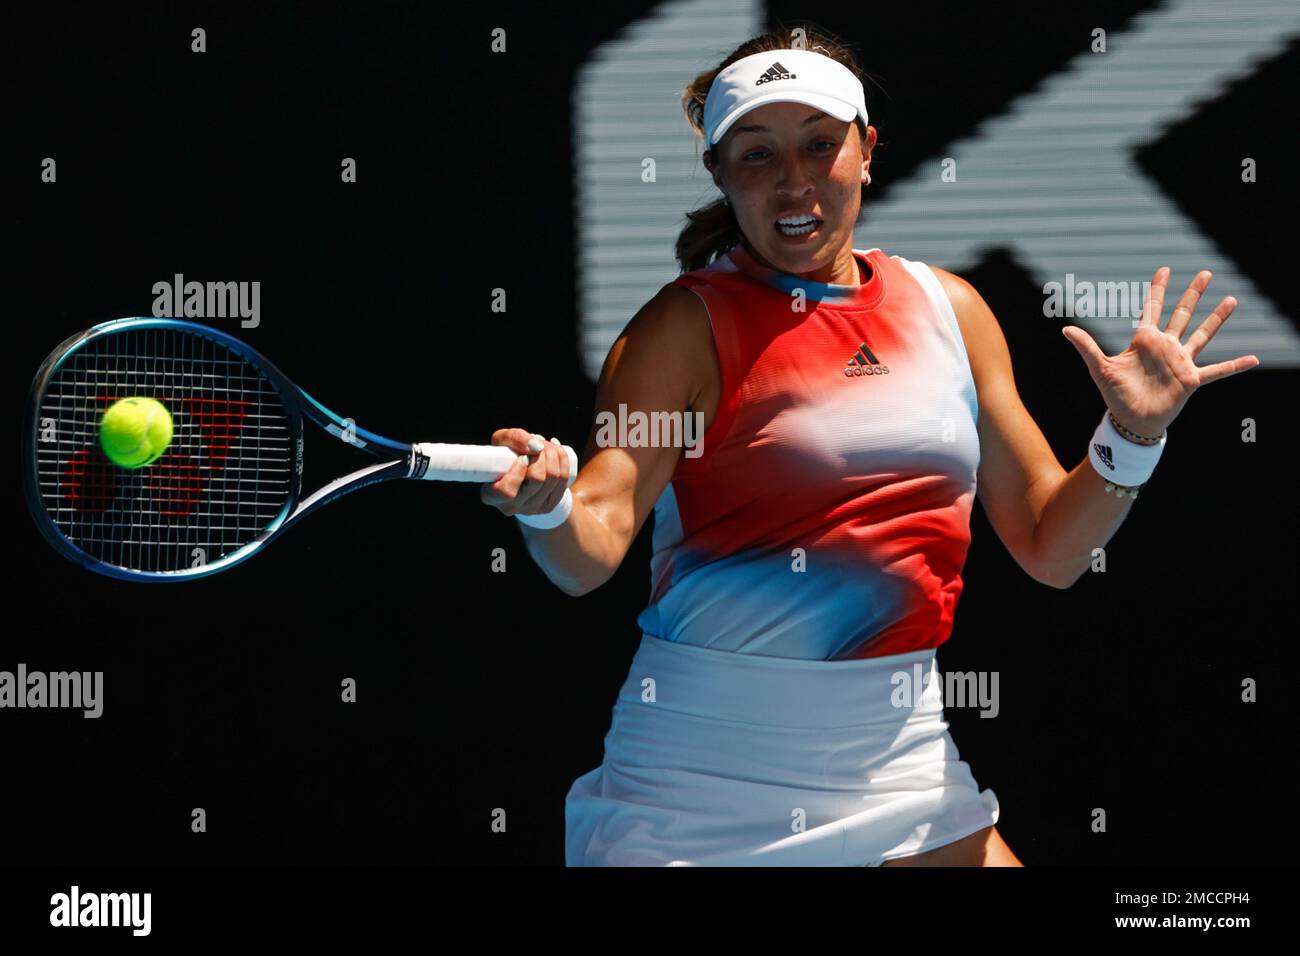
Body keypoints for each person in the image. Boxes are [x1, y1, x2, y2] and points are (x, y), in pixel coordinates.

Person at [480, 25, 1258, 866]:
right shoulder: (682, 328)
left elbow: (1049, 545)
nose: (793, 182)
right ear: (718, 172)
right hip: (700, 785)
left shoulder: (949, 310)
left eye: (820, 145)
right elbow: (590, 547)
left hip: (903, 766)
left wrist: (1133, 435)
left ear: (867, 150)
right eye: (756, 154)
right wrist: (550, 503)